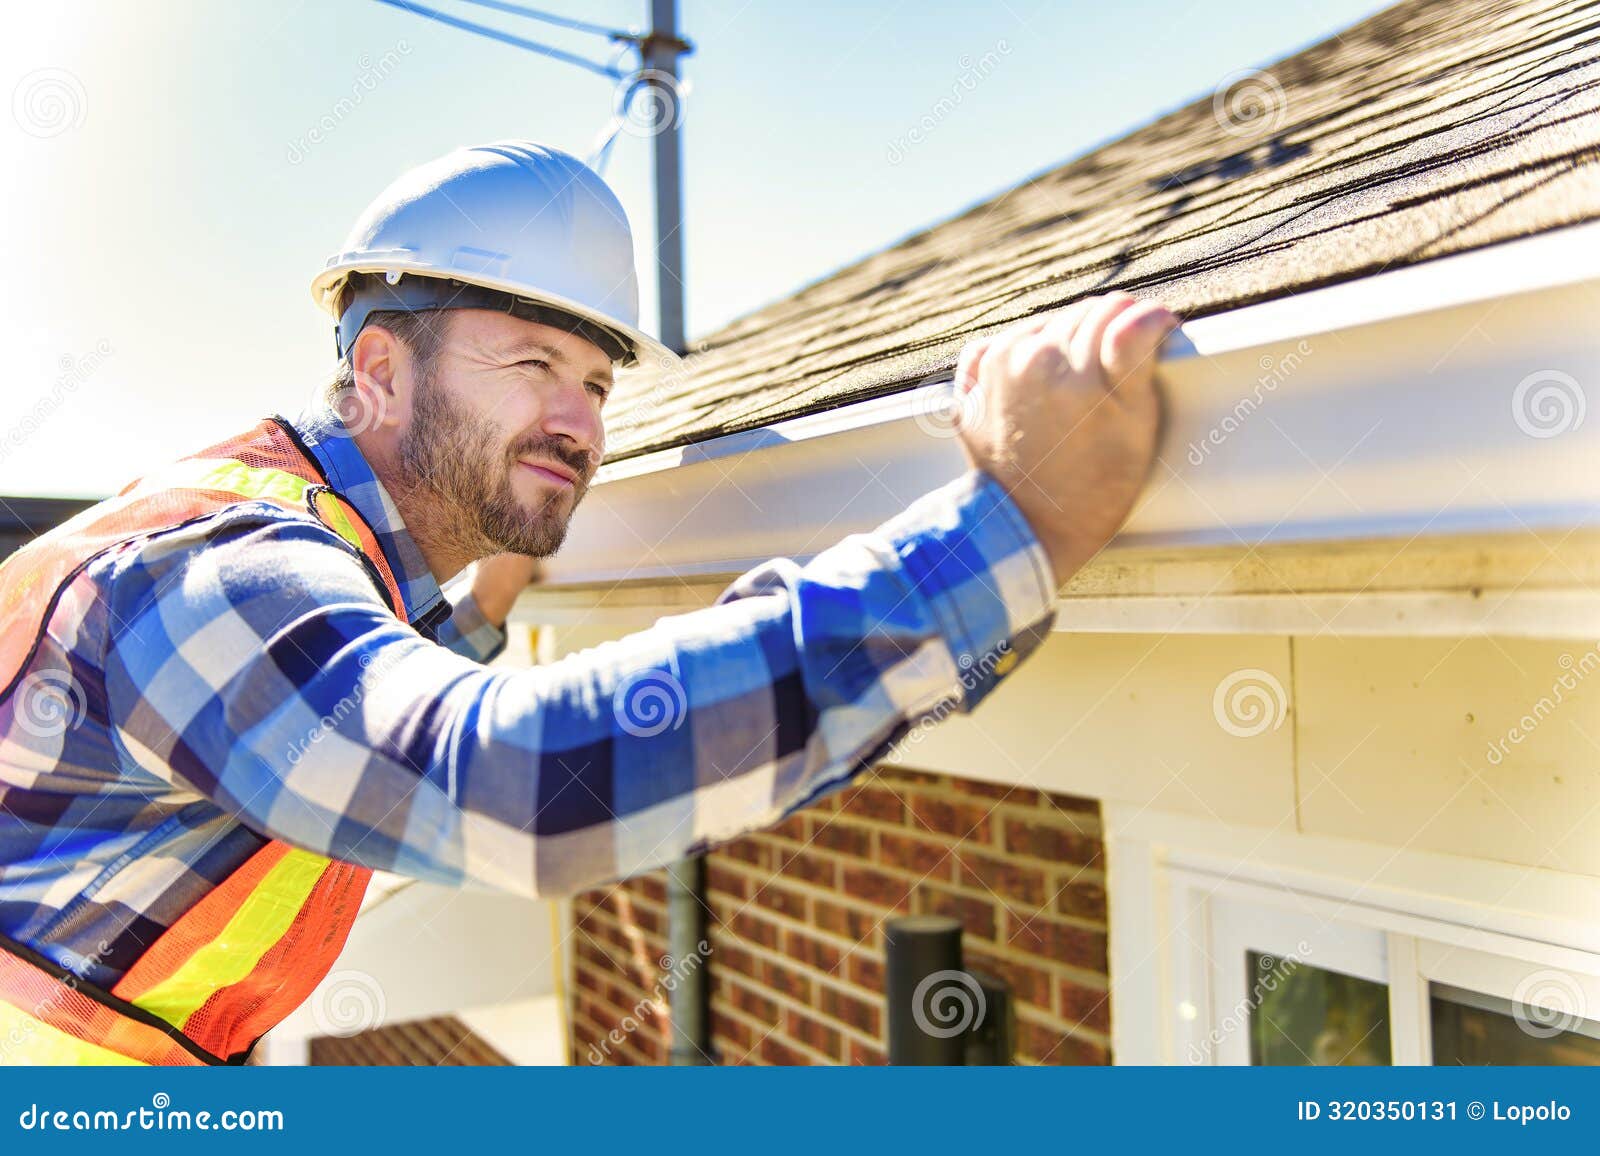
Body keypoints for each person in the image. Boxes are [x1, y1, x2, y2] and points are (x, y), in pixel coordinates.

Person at [0, 141, 1175, 1065]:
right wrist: (1006, 534)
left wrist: (484, 598)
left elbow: (331, 710)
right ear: (377, 372)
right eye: (529, 365)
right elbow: (509, 785)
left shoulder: (317, 546)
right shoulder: (225, 574)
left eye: (596, 383)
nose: (580, 423)